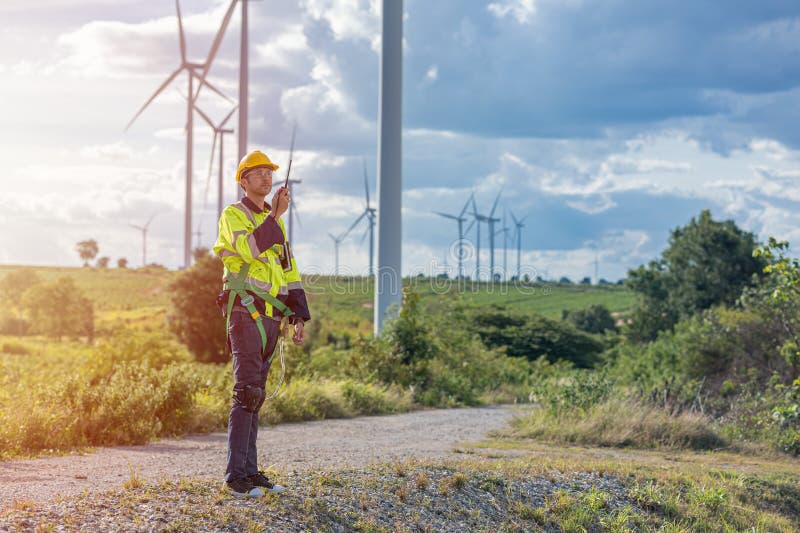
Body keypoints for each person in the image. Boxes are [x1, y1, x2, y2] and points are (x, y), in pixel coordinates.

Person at [213, 149, 311, 498]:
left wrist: (297, 314)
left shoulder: (277, 223)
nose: (267, 178)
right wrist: (275, 215)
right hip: (244, 311)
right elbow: (250, 249)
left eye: (270, 173)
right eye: (258, 173)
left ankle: (251, 473)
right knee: (246, 391)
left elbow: (289, 270)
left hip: (271, 315)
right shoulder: (233, 214)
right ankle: (234, 478)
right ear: (244, 181)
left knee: (257, 396)